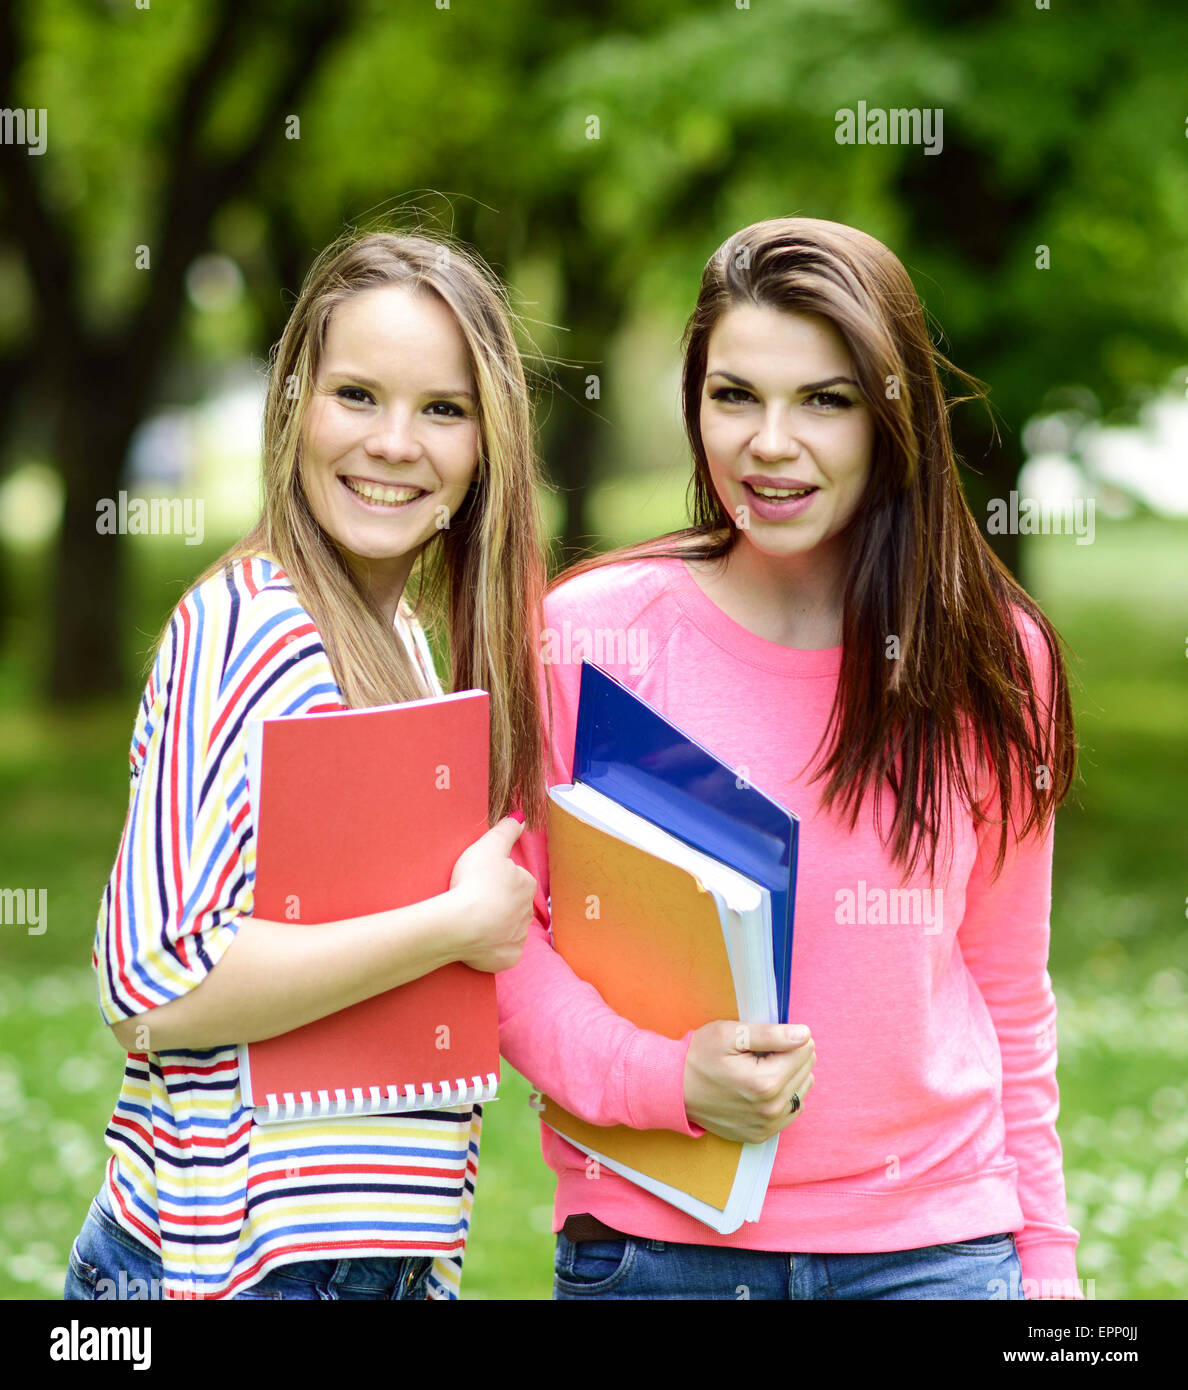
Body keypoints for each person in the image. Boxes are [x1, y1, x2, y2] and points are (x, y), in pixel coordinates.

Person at [499, 216, 1082, 1301]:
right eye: (734, 396)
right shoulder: (585, 639)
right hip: (656, 1254)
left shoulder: (996, 661)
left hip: (940, 1253)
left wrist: (1047, 1266)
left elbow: (1007, 984)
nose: (770, 442)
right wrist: (665, 1078)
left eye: (825, 399)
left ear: (891, 416)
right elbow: (504, 939)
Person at [65, 229, 544, 1301]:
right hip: (236, 1267)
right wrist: (454, 926)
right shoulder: (247, 625)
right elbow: (152, 982)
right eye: (357, 395)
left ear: (485, 449)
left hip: (365, 1262)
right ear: (294, 405)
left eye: (443, 409)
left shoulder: (409, 651)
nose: (395, 443)